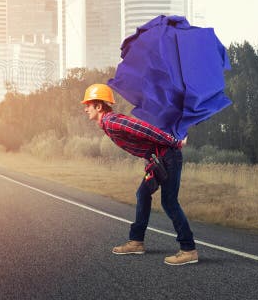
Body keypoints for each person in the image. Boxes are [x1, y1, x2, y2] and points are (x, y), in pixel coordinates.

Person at [81, 83, 198, 266]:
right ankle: (136, 242)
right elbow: (143, 142)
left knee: (169, 202)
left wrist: (174, 142)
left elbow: (143, 129)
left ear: (99, 106)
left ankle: (188, 249)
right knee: (142, 194)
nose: (85, 108)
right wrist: (150, 162)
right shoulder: (107, 124)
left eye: (88, 105)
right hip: (158, 159)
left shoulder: (112, 121)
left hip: (168, 156)